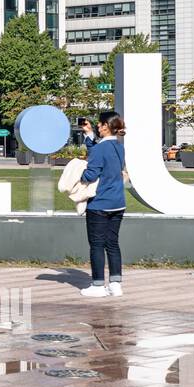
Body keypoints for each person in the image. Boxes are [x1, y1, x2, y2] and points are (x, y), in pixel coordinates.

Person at [78, 112, 127, 298]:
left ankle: (97, 285)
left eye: (99, 124)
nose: (97, 126)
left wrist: (78, 175)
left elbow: (91, 174)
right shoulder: (119, 147)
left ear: (106, 126)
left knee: (97, 244)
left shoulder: (100, 149)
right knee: (112, 244)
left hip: (99, 204)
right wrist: (89, 135)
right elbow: (98, 153)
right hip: (117, 203)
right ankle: (115, 284)